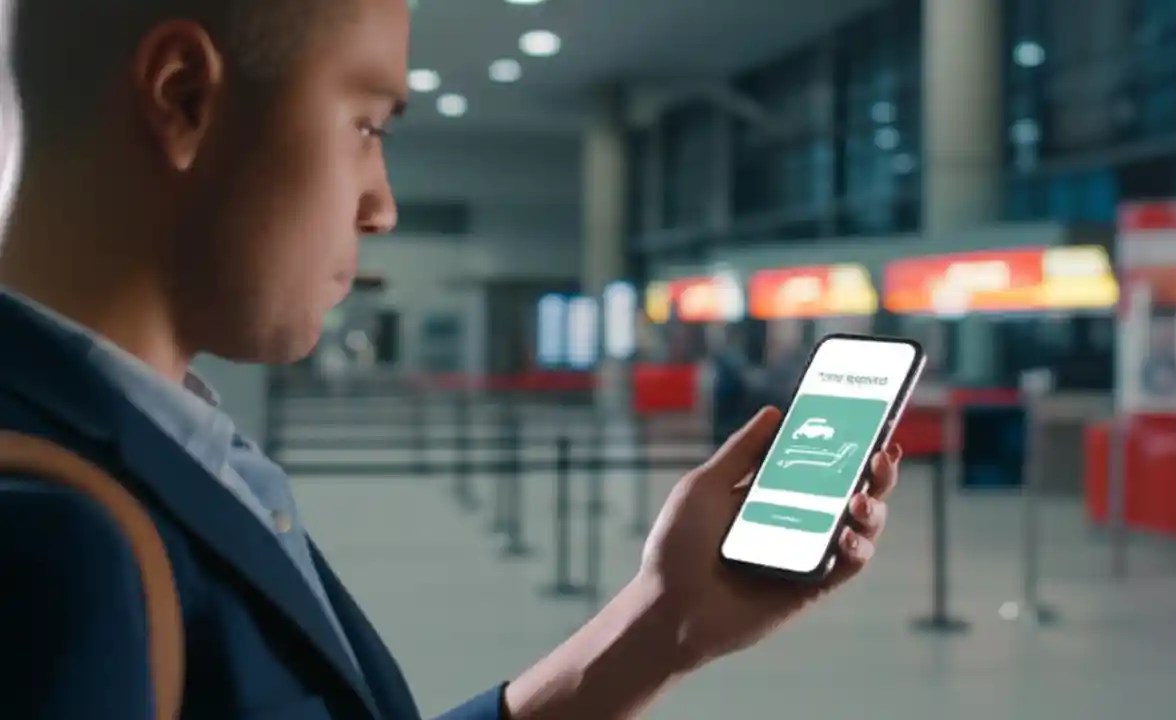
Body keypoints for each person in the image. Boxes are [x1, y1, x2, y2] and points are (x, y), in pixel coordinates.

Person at [0, 1, 901, 718]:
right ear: (185, 96)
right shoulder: (54, 545)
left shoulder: (169, 462)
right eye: (367, 126)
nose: (381, 206)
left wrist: (665, 623)